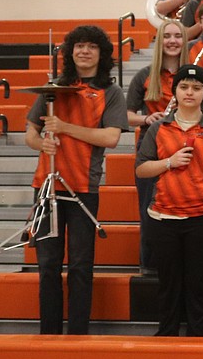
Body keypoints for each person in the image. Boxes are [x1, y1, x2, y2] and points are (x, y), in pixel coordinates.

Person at [24, 25, 127, 335]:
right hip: (46, 189)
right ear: (69, 52)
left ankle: (78, 334)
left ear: (101, 53)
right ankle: (49, 335)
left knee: (81, 267)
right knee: (48, 267)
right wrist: (40, 143)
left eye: (91, 46)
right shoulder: (52, 88)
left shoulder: (111, 93)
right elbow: (31, 131)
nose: (84, 51)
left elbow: (110, 138)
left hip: (83, 188)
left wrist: (65, 128)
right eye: (78, 46)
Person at [134, 64, 203, 336]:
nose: (190, 92)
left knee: (199, 283)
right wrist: (168, 162)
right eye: (184, 87)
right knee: (167, 283)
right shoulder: (159, 129)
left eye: (197, 87)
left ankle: (199, 339)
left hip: (202, 217)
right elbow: (142, 169)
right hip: (163, 218)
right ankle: (166, 336)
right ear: (175, 92)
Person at [126, 17, 186, 273]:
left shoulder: (191, 73)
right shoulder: (145, 74)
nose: (173, 41)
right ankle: (150, 265)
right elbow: (125, 115)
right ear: (161, 41)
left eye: (178, 36)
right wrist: (146, 118)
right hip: (151, 149)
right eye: (168, 36)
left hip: (185, 148)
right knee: (149, 207)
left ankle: (181, 264)